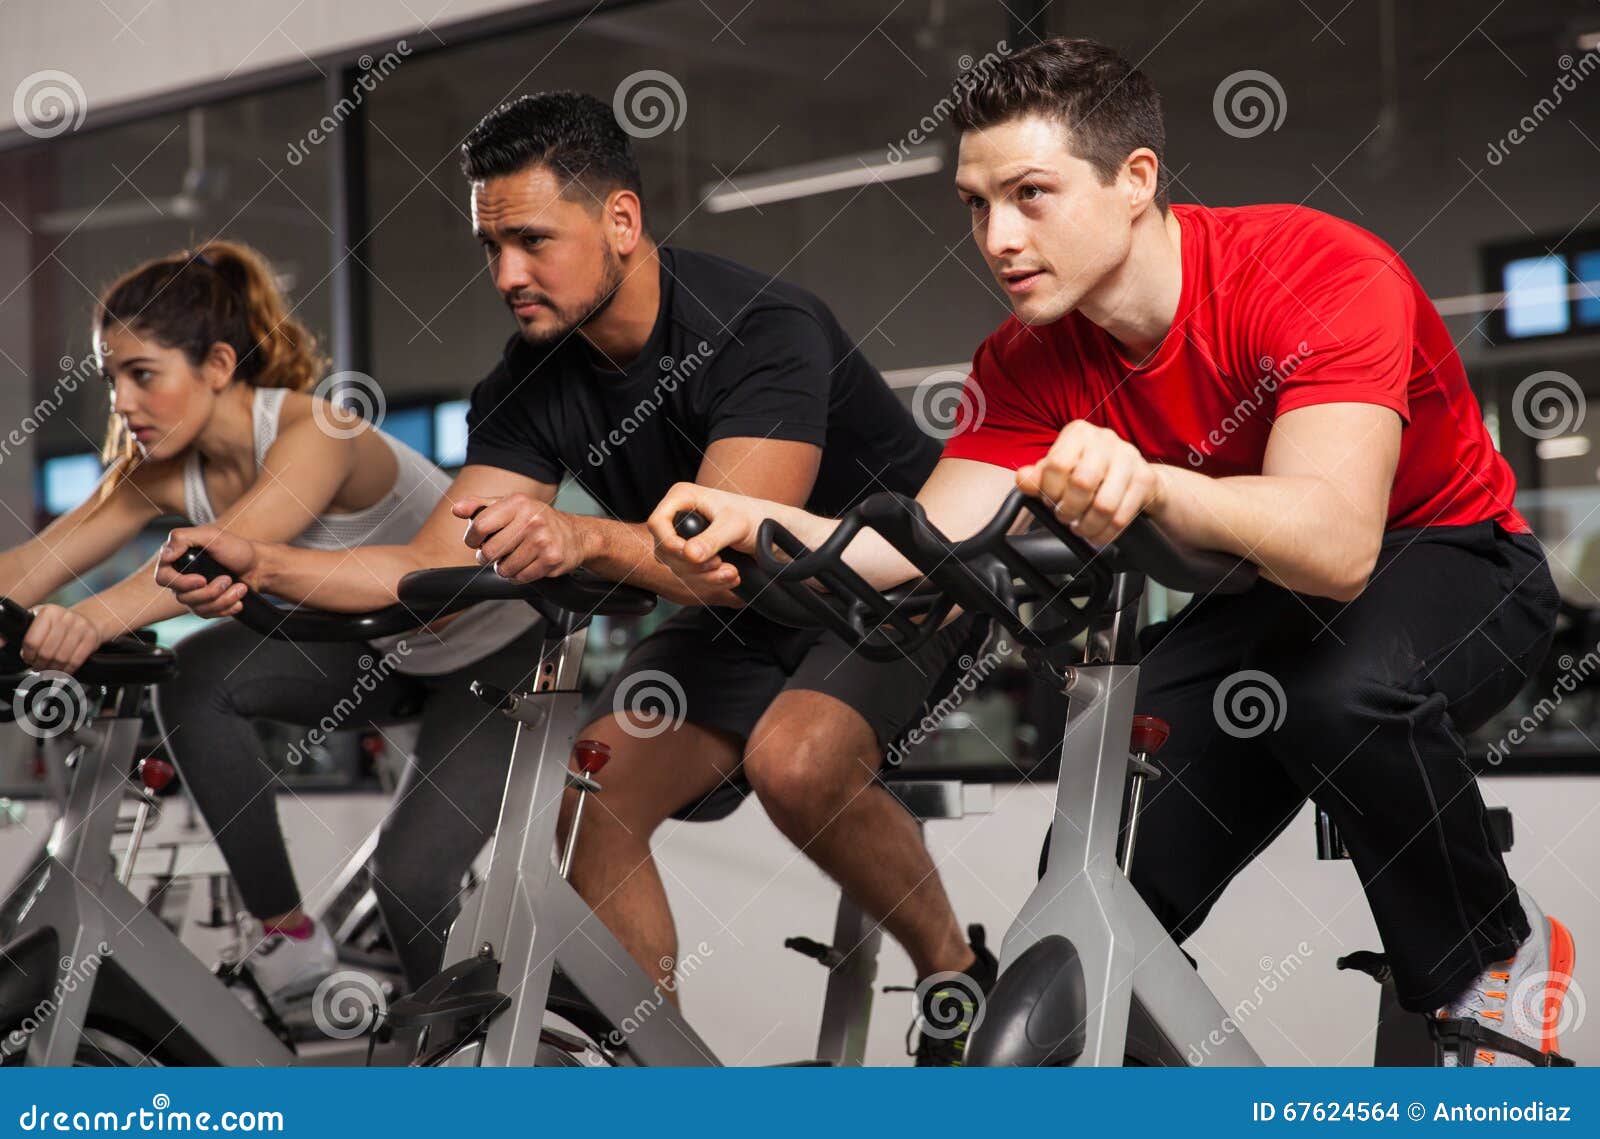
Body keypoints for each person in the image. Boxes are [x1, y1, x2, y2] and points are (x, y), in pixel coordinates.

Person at [648, 37, 1575, 1068]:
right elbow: (925, 538)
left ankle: (1491, 953)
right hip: (1267, 603)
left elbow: (1337, 545)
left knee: (1338, 694)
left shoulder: (1312, 271)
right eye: (974, 202)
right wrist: (764, 530)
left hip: (1457, 558)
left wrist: (1156, 480)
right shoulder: (1026, 359)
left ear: (1134, 181)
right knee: (1095, 870)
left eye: (1031, 194)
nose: (997, 236)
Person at [156, 92, 997, 1064]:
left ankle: (953, 972)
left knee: (794, 758)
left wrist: (583, 540)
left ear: (622, 222)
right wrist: (264, 561)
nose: (507, 274)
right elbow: (432, 561)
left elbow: (737, 555)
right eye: (489, 247)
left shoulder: (760, 329)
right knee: (590, 789)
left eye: (532, 240)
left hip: (883, 594)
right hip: (734, 617)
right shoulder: (529, 379)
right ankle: (659, 1074)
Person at [0, 240, 541, 1004]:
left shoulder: (317, 433)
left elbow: (234, 555)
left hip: (494, 654)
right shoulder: (159, 471)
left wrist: (82, 623)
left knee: (414, 878)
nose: (121, 401)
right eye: (112, 377)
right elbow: (27, 568)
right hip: (375, 653)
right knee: (194, 678)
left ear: (218, 365)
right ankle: (287, 940)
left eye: (142, 374)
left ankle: (458, 1069)